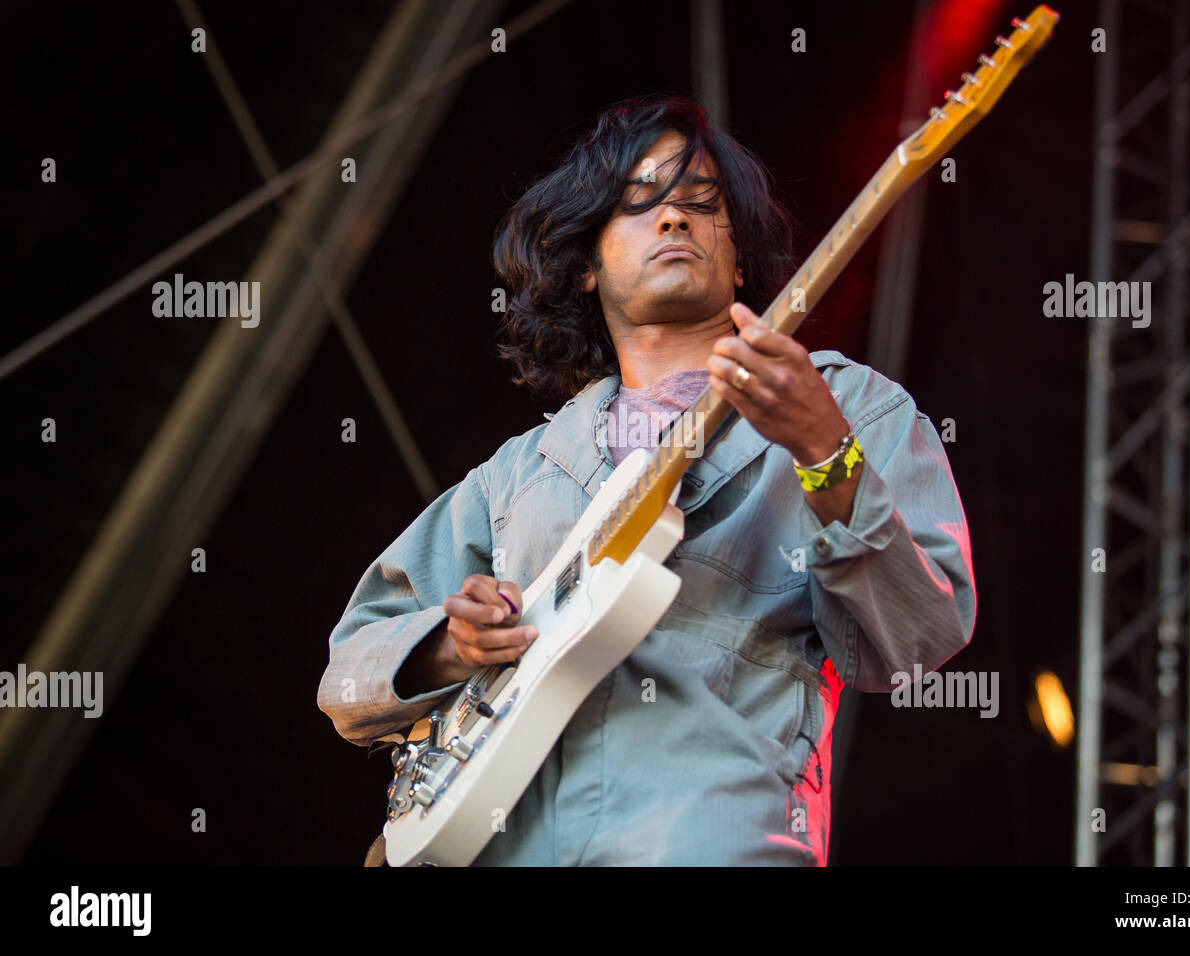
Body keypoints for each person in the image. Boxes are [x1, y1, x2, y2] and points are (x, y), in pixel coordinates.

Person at [317, 94, 977, 866]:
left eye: (701, 204)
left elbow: (917, 640)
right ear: (588, 266)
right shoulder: (517, 473)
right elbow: (350, 669)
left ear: (738, 261)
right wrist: (451, 644)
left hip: (709, 836)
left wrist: (824, 452)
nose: (674, 219)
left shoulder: (849, 406)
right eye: (640, 204)